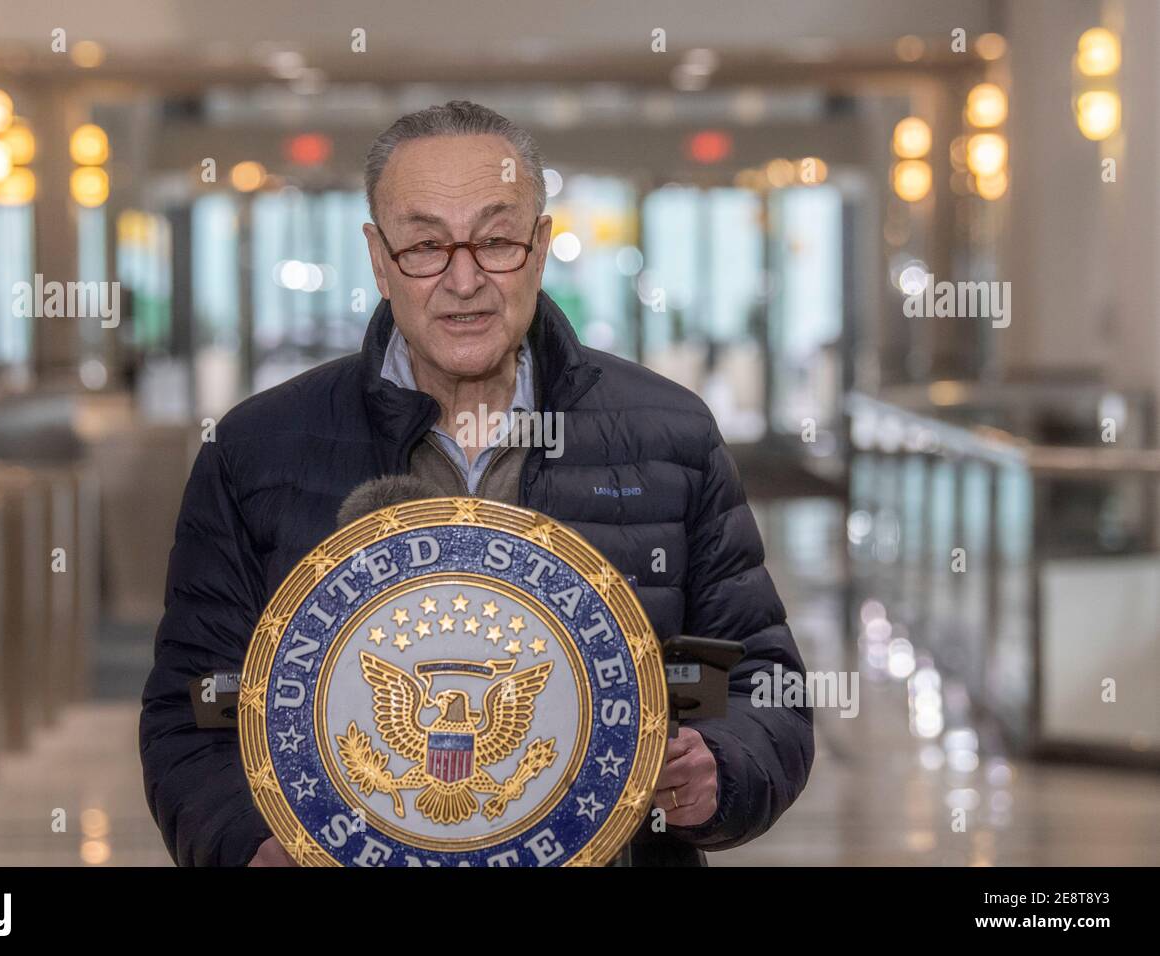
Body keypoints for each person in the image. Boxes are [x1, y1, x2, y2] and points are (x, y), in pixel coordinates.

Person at [140, 100, 813, 867]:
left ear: (541, 245)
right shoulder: (256, 452)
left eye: (496, 241)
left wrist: (716, 772)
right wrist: (248, 845)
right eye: (426, 245)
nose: (464, 280)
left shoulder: (671, 435)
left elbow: (768, 685)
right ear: (378, 257)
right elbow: (189, 710)